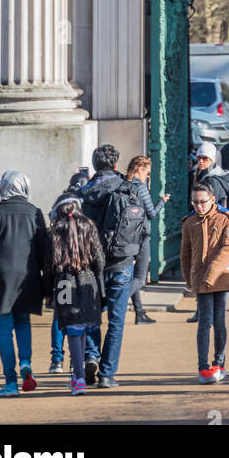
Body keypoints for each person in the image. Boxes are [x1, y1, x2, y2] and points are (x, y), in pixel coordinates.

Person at [80, 144, 146, 389]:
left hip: (89, 263)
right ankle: (107, 374)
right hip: (121, 260)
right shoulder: (128, 187)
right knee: (116, 320)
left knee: (90, 316)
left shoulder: (84, 191)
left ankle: (90, 355)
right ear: (117, 165)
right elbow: (143, 225)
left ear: (95, 164)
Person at [0, 170, 48, 396]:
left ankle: (10, 382)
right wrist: (47, 283)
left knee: (3, 330)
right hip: (27, 278)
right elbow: (44, 250)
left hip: (0, 279)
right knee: (23, 322)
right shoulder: (35, 212)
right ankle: (26, 363)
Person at [46, 196, 106, 396]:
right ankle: (78, 374)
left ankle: (78, 377)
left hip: (64, 282)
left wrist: (48, 292)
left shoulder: (54, 230)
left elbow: (50, 265)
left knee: (71, 327)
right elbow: (99, 259)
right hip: (87, 279)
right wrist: (99, 281)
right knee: (82, 326)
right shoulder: (89, 226)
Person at [180, 182, 229, 383]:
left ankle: (219, 362)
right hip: (200, 279)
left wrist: (210, 276)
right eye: (195, 202)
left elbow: (228, 251)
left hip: (221, 278)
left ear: (212, 200)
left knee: (219, 320)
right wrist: (190, 279)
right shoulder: (189, 222)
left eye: (202, 202)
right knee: (204, 323)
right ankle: (202, 366)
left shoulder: (226, 219)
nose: (199, 206)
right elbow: (185, 254)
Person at [47, 170, 89, 374]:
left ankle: (57, 359)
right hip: (81, 277)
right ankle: (75, 360)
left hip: (62, 278)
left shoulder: (58, 215)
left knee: (59, 317)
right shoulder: (84, 219)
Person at [125, 155, 170, 324]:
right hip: (142, 235)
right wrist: (162, 201)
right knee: (140, 278)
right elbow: (151, 214)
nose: (148, 176)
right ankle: (115, 302)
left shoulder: (124, 184)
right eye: (147, 172)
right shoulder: (141, 188)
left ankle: (140, 313)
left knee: (132, 275)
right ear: (139, 169)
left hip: (127, 236)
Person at [190, 141, 229, 208]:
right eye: (199, 158)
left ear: (212, 160)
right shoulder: (200, 174)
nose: (201, 161)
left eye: (205, 158)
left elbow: (212, 206)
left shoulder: (212, 181)